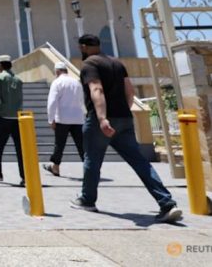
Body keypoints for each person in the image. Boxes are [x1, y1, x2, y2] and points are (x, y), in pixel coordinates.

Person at [71, 34, 182, 223]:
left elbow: (96, 89)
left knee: (92, 161)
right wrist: (123, 111)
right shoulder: (117, 63)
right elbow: (130, 91)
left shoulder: (90, 64)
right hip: (124, 119)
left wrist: (103, 118)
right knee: (139, 161)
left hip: (101, 121)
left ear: (83, 47)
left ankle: (87, 200)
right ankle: (167, 203)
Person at [0, 55, 25, 186]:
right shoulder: (18, 80)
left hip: (4, 118)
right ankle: (24, 176)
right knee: (20, 149)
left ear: (0, 65)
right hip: (17, 118)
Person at [43, 61, 85, 177]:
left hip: (62, 119)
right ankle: (90, 167)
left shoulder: (57, 82)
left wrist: (51, 119)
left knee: (59, 145)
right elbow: (82, 100)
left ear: (57, 71)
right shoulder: (77, 82)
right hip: (78, 119)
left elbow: (52, 102)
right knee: (82, 145)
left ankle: (55, 167)